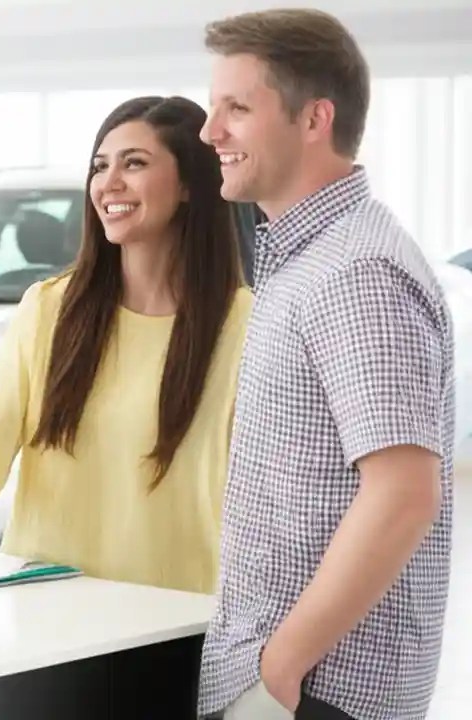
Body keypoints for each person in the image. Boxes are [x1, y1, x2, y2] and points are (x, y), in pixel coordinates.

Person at [0, 95, 252, 596]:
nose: (109, 183)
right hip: (46, 616)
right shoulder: (49, 309)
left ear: (189, 184)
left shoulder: (250, 325)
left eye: (134, 163)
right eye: (100, 166)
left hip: (179, 618)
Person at [195, 9, 454, 720]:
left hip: (317, 693)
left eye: (237, 108)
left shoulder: (356, 271)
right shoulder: (306, 260)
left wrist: (280, 670)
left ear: (314, 119)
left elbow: (404, 493)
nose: (209, 130)